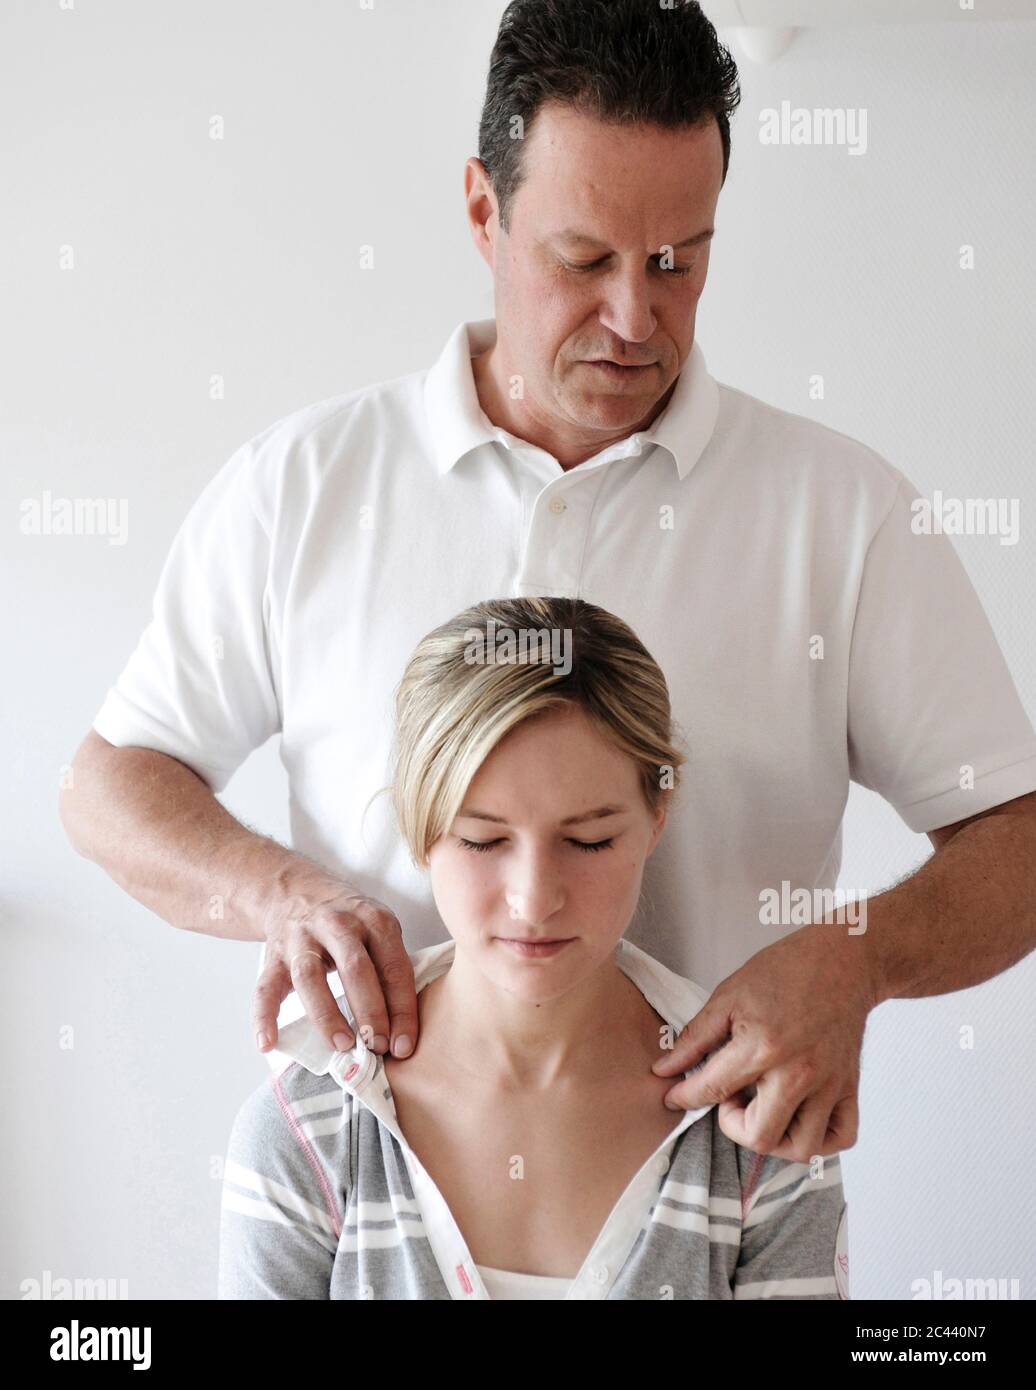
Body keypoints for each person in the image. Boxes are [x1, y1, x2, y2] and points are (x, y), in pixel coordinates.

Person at [60, 0, 1036, 1192]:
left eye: (677, 261)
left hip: (719, 1208)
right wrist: (276, 891)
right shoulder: (302, 486)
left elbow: (1018, 838)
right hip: (378, 1209)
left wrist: (855, 960)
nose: (635, 319)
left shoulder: (845, 515)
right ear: (484, 210)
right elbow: (111, 786)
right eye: (584, 261)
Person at [218, 596, 849, 1300]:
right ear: (418, 828)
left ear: (655, 820)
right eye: (483, 840)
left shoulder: (757, 1124)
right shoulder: (311, 1132)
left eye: (589, 841)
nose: (534, 899)